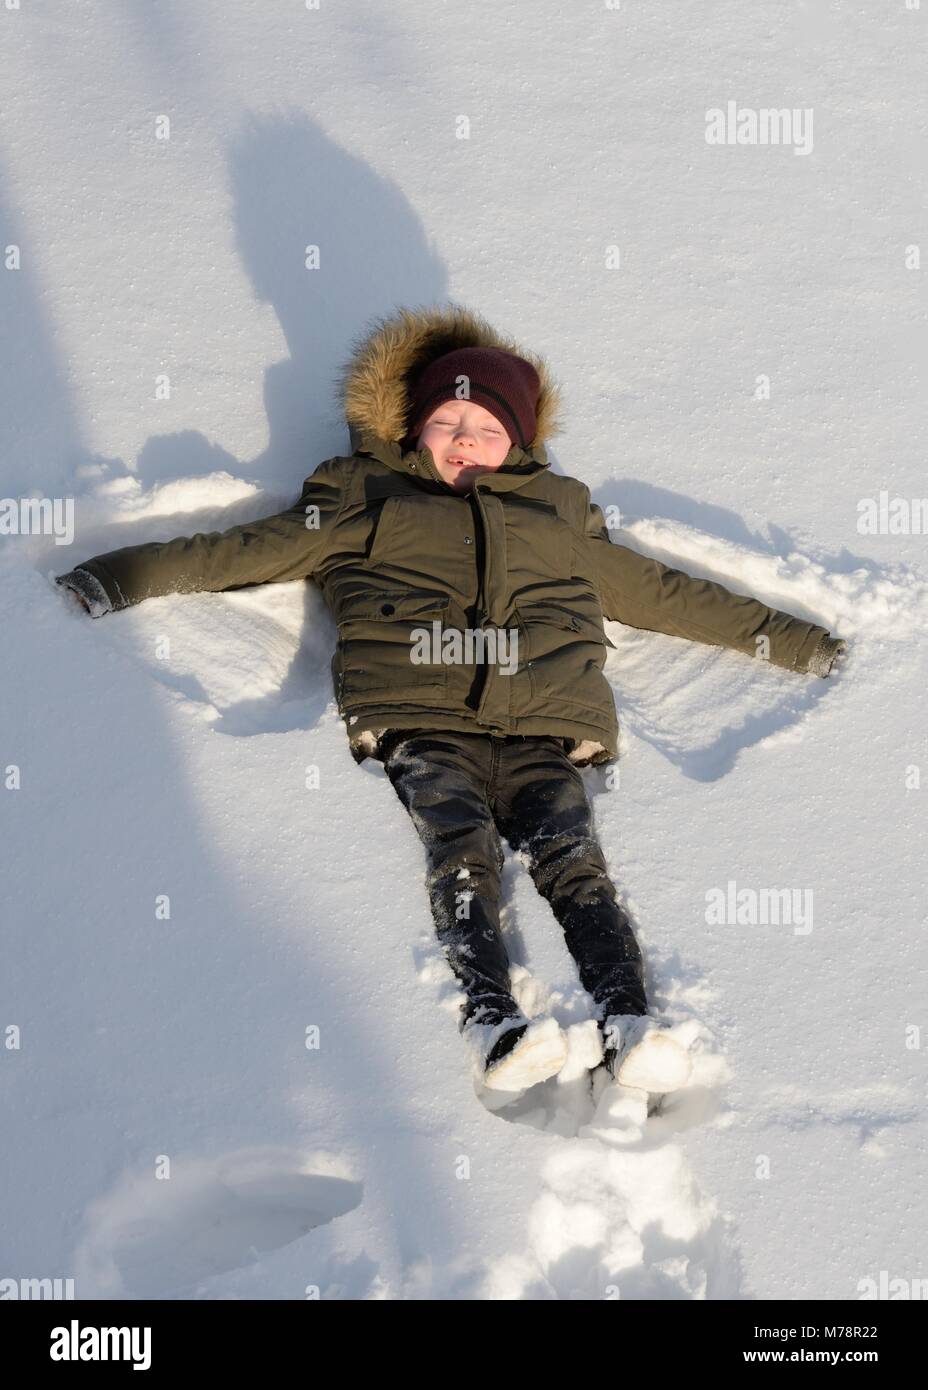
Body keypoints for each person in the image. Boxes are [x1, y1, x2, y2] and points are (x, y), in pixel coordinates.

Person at [56, 303, 847, 1097]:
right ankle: (495, 1020)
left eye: (487, 426)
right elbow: (240, 552)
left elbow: (671, 595)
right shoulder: (360, 498)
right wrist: (114, 578)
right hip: (422, 720)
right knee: (460, 854)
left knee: (576, 864)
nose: (466, 436)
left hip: (545, 726)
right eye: (447, 419)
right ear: (411, 429)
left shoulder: (560, 517)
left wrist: (800, 643)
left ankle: (630, 1021)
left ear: (521, 444)